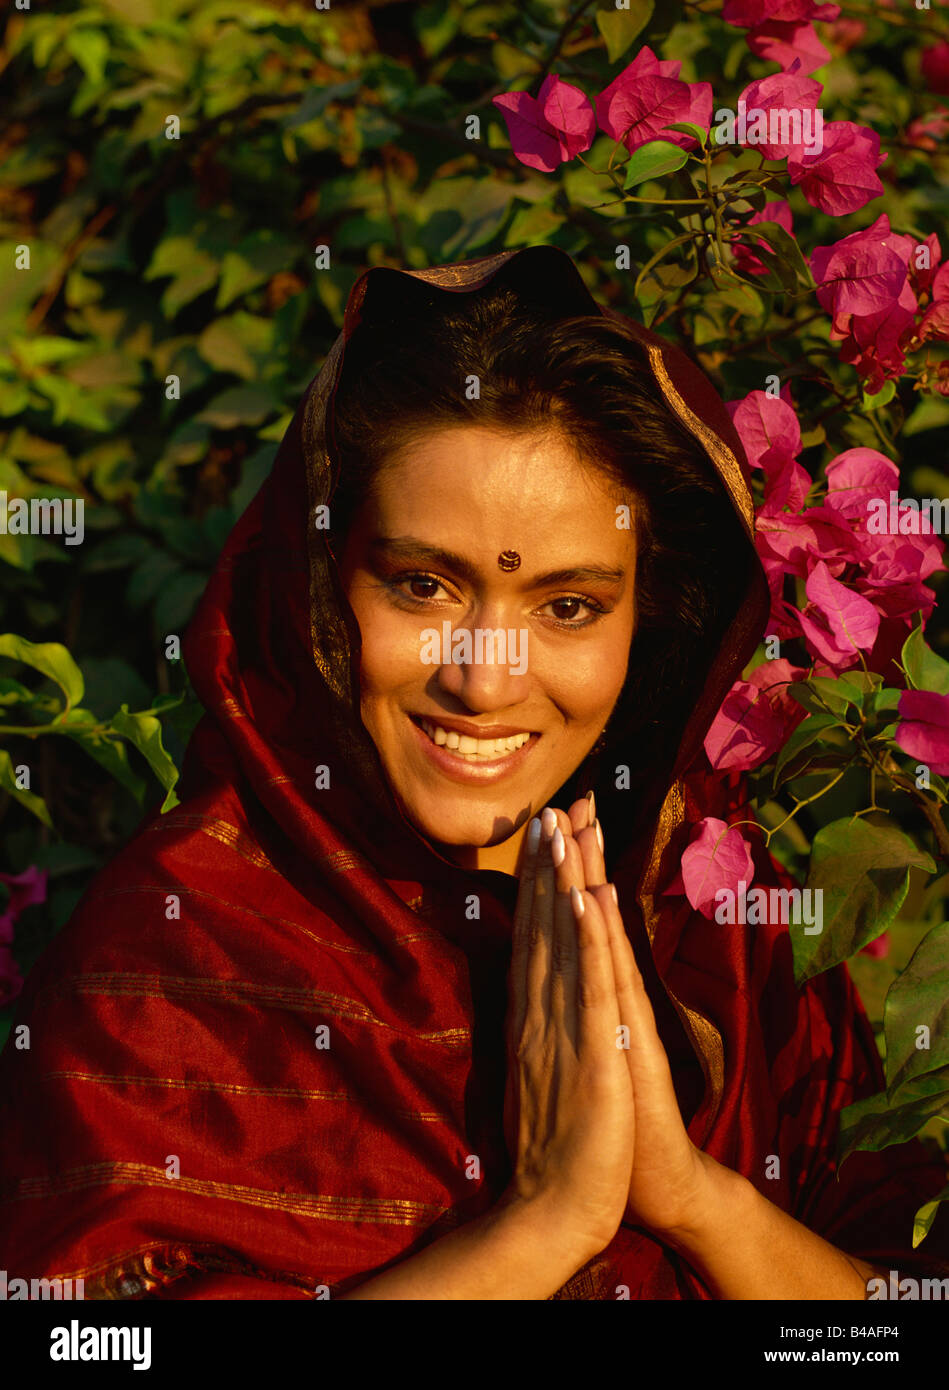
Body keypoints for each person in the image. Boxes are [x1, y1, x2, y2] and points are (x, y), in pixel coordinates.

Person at [0, 245, 947, 1300]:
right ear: (317, 589)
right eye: (420, 586)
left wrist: (692, 1197)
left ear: (650, 624)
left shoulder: (710, 931)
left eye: (569, 606)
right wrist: (541, 1226)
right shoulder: (175, 961)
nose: (486, 682)